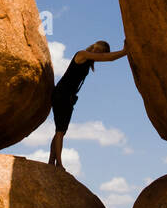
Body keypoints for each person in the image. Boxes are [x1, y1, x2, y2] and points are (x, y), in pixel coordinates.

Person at [48, 39, 128, 169]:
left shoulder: (87, 62)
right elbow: (109, 58)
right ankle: (59, 164)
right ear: (93, 46)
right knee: (60, 131)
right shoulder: (82, 54)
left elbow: (107, 58)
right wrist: (125, 52)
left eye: (101, 51)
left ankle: (52, 161)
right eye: (97, 48)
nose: (97, 52)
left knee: (60, 130)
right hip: (61, 94)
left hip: (67, 97)